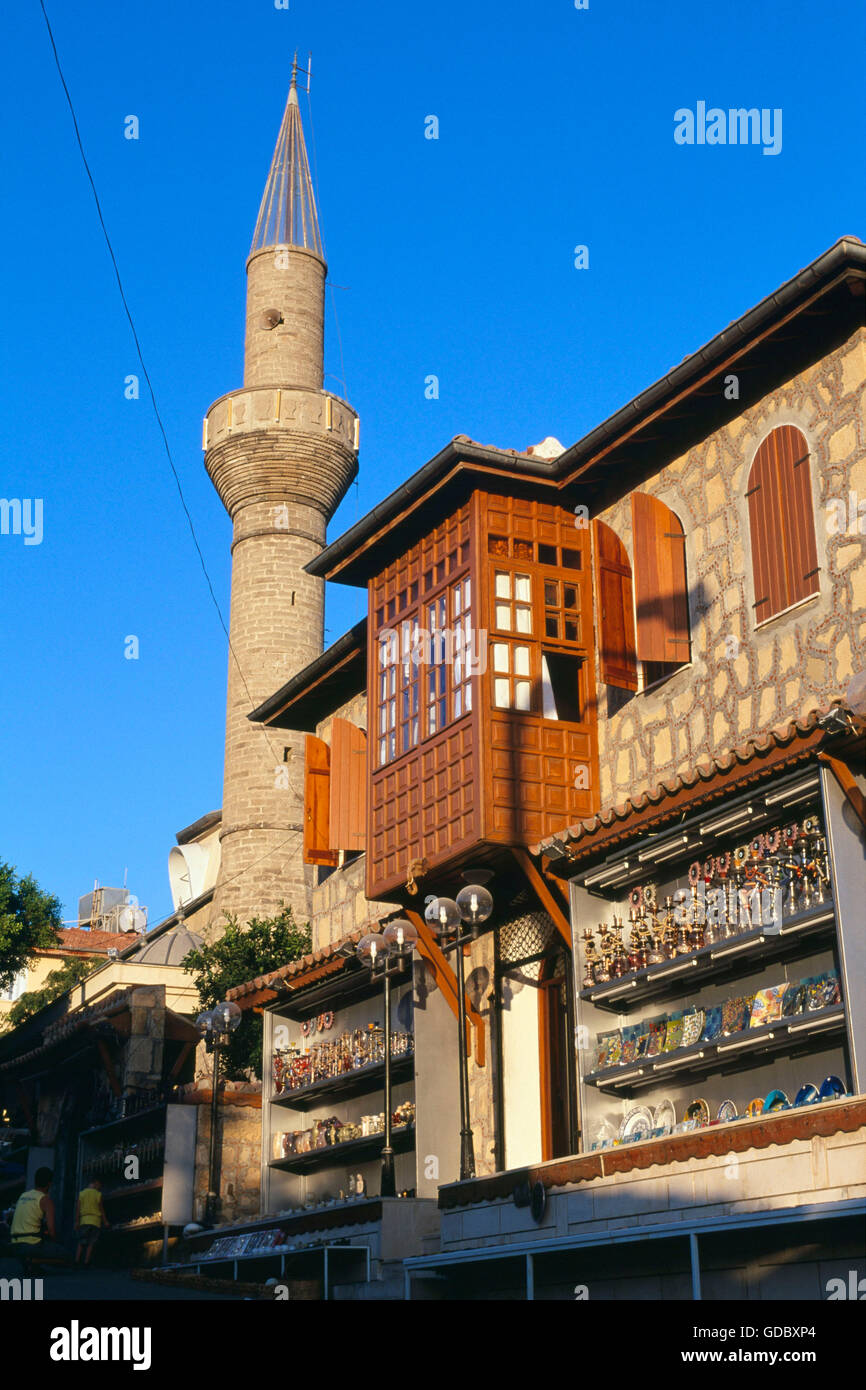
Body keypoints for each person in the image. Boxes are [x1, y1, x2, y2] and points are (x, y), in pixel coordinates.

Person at [9, 1167, 68, 1267]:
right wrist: (54, 1243)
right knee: (66, 1256)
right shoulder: (45, 1199)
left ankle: (31, 1262)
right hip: (31, 1246)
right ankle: (34, 1261)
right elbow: (51, 1230)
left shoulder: (23, 1195)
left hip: (14, 1245)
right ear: (49, 1184)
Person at [74, 1177, 108, 1266]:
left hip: (84, 1221)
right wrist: (105, 1222)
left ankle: (77, 1261)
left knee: (81, 1242)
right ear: (95, 1183)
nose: (100, 1187)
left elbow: (78, 1209)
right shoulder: (98, 1194)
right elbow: (101, 1210)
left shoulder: (81, 1194)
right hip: (95, 1221)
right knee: (91, 1243)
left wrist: (77, 1221)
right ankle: (86, 1262)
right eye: (99, 1185)